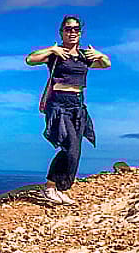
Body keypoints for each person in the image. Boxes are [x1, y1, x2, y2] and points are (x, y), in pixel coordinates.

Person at [25, 15, 111, 204]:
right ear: (61, 32)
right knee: (70, 146)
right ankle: (49, 187)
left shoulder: (84, 56)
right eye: (68, 29)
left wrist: (100, 55)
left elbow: (106, 64)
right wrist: (52, 49)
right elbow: (30, 59)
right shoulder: (55, 54)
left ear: (80, 33)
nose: (72, 32)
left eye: (76, 29)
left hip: (78, 104)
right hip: (59, 104)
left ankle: (60, 188)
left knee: (75, 150)